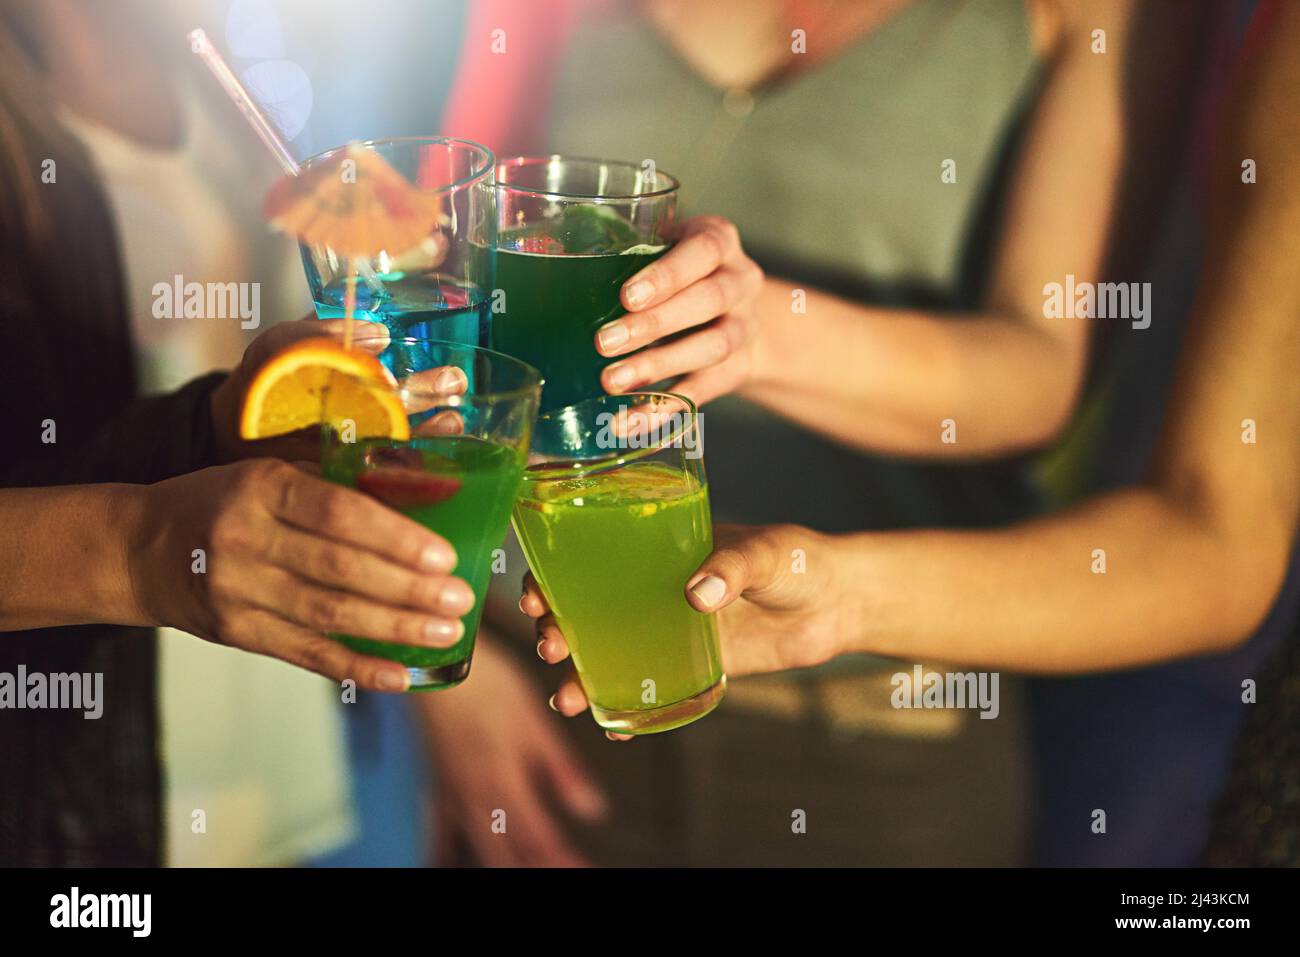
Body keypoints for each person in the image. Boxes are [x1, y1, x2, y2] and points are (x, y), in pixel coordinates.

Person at [527, 0, 1300, 865]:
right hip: (559, 679)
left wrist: (763, 331)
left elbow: (1059, 391)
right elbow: (434, 274)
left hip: (872, 733)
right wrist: (444, 669)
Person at [0, 0, 477, 865]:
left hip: (309, 714)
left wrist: (222, 421)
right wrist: (142, 549)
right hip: (110, 783)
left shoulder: (214, 55)